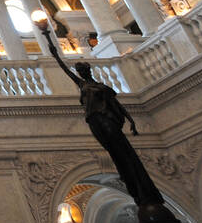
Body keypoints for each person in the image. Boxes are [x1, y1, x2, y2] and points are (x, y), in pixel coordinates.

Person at [40, 23, 163, 206]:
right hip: (95, 120)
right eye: (80, 71)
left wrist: (132, 122)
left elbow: (117, 105)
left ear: (88, 71)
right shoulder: (82, 85)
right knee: (114, 151)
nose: (82, 72)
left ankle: (141, 190)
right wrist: (52, 48)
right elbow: (65, 70)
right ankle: (132, 183)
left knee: (123, 152)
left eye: (83, 70)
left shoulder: (102, 87)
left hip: (107, 119)